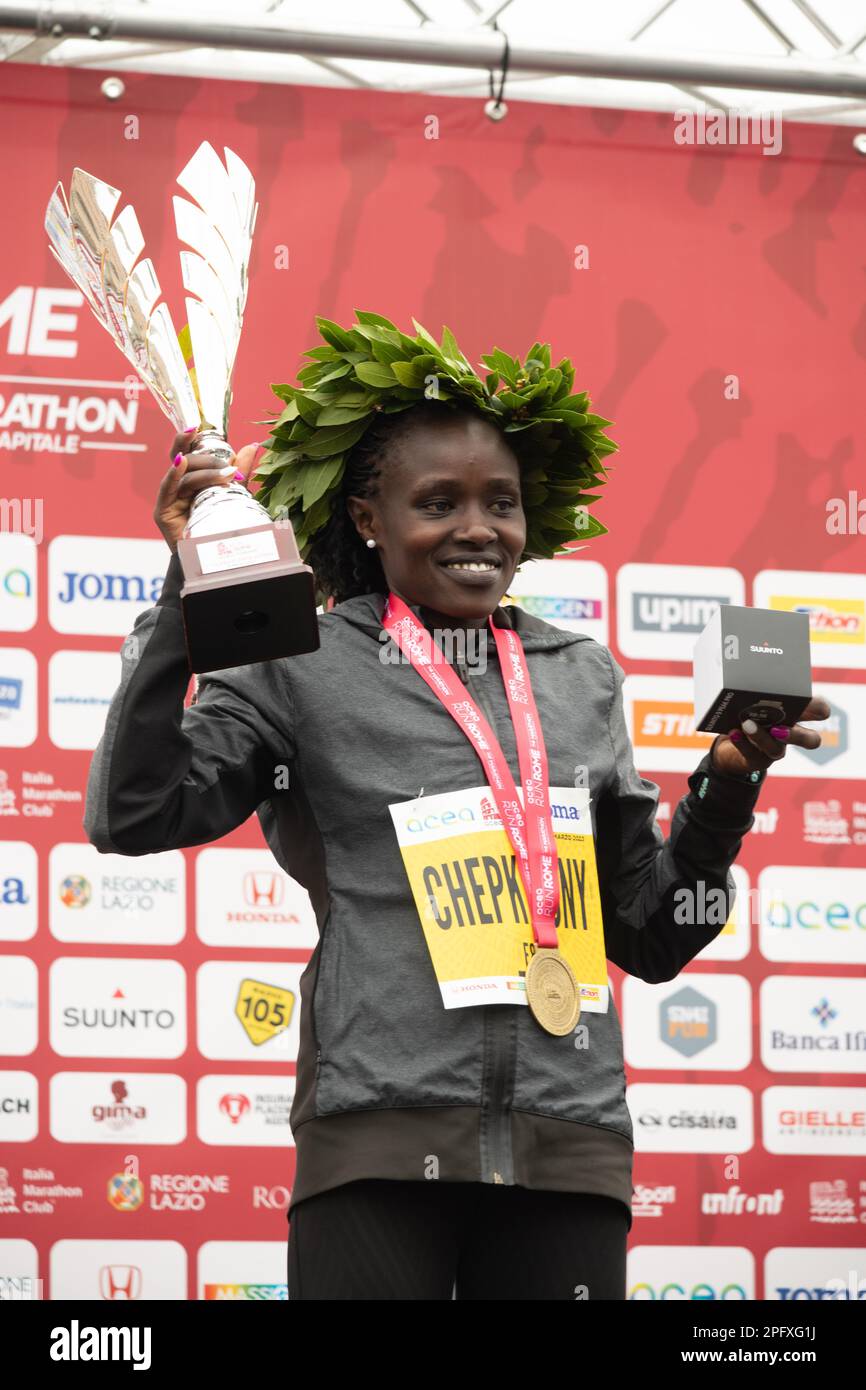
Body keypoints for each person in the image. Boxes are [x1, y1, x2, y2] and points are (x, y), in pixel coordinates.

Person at [83, 319, 829, 1301]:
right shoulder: (303, 661)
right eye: (437, 503)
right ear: (366, 516)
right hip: (377, 1148)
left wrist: (729, 779)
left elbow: (649, 932)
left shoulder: (581, 677)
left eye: (500, 504)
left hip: (567, 1155)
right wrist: (180, 603)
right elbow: (135, 811)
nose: (477, 530)